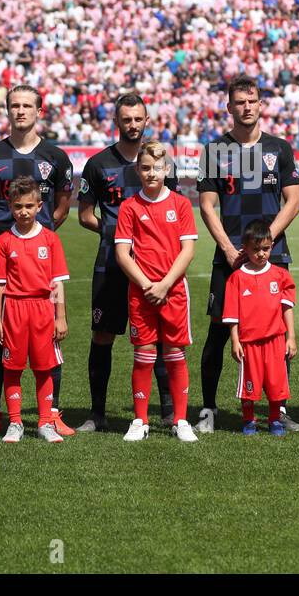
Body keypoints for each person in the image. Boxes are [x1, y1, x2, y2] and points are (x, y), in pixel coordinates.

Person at [196, 76, 299, 433]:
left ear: (260, 105)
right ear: (230, 107)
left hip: (273, 255)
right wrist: (228, 247)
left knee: (275, 333)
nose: (247, 106)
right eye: (240, 101)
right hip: (228, 258)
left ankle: (278, 409)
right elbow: (207, 205)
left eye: (252, 100)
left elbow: (294, 200)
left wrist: (264, 241)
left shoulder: (280, 149)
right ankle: (208, 409)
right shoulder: (214, 152)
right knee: (217, 332)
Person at [0, 84, 73, 436]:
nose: (20, 111)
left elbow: (61, 205)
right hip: (2, 255)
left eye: (27, 105)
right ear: (7, 110)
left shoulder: (56, 157)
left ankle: (51, 413)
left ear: (38, 111)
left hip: (42, 259)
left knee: (50, 338)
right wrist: (4, 238)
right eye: (14, 105)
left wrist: (41, 233)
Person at [76, 93, 176, 432]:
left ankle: (166, 411)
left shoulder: (160, 159)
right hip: (111, 264)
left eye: (138, 119)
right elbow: (85, 215)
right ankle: (97, 414)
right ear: (116, 122)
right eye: (126, 119)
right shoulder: (98, 164)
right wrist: (117, 232)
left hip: (154, 267)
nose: (132, 125)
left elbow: (172, 207)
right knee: (103, 335)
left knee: (159, 338)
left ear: (147, 121)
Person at [114, 141, 198, 443]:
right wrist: (146, 284)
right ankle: (140, 419)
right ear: (138, 170)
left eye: (157, 168)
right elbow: (123, 253)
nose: (151, 173)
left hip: (174, 291)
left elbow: (187, 250)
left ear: (167, 169)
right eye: (146, 168)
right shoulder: (129, 207)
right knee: (144, 354)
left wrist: (164, 284)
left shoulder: (181, 204)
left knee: (175, 353)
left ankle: (180, 419)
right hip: (141, 292)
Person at [0, 177, 71, 444]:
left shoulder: (50, 239)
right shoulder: (3, 242)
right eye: (18, 206)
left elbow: (56, 282)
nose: (23, 211)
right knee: (12, 368)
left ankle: (46, 422)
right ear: (10, 206)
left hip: (43, 310)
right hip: (14, 310)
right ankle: (15, 422)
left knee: (44, 368)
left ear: (39, 206)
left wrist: (60, 317)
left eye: (29, 206)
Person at [224, 220, 299, 436]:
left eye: (265, 249)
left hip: (275, 340)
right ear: (245, 248)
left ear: (272, 246)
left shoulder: (280, 275)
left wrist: (290, 337)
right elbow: (232, 313)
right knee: (250, 385)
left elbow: (287, 308)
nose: (261, 254)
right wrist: (235, 340)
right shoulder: (237, 278)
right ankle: (249, 420)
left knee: (276, 383)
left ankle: (275, 419)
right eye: (255, 249)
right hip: (248, 343)